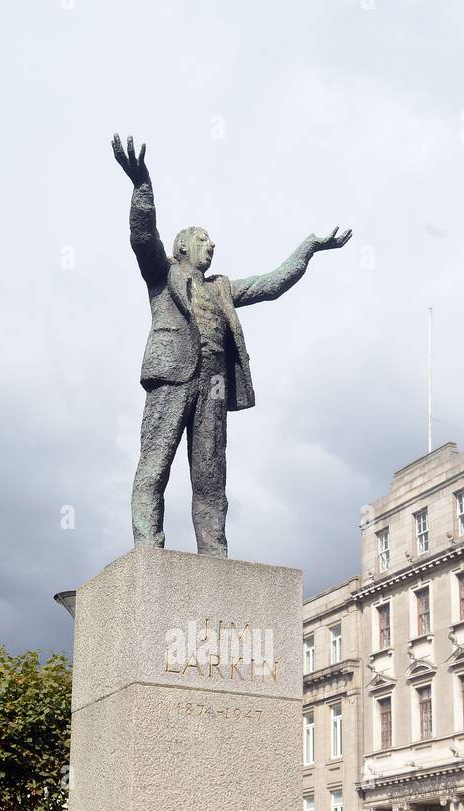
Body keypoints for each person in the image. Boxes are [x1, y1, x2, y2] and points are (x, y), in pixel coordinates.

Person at [111, 134, 351, 556]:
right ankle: (148, 546)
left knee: (210, 476)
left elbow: (271, 284)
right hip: (172, 377)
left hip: (212, 389)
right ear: (184, 245)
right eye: (205, 240)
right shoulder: (161, 273)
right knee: (155, 464)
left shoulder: (222, 288)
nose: (213, 246)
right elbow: (143, 237)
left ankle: (215, 553)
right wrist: (141, 186)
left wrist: (308, 249)